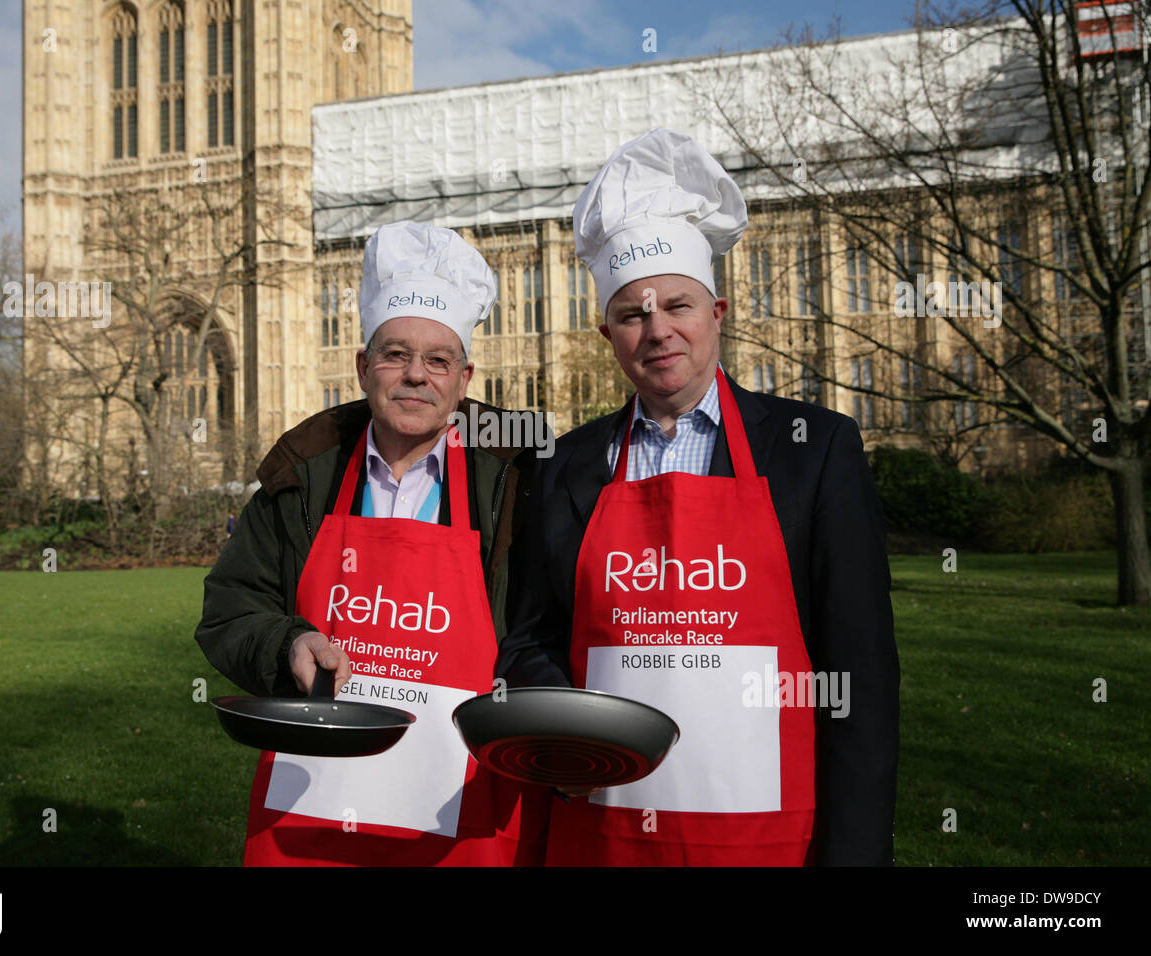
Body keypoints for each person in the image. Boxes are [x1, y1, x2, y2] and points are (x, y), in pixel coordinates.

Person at [496, 129, 899, 866]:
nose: (658, 332)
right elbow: (530, 637)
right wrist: (566, 728)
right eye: (632, 314)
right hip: (608, 829)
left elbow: (860, 678)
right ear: (607, 333)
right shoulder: (567, 465)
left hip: (770, 835)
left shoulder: (814, 450)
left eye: (676, 306)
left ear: (717, 312)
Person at [196, 220, 549, 866]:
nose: (416, 375)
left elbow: (550, 630)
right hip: (314, 810)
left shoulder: (518, 485)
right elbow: (229, 607)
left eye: (438, 360)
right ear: (362, 367)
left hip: (459, 812)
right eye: (395, 354)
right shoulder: (305, 475)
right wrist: (288, 643)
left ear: (464, 379)